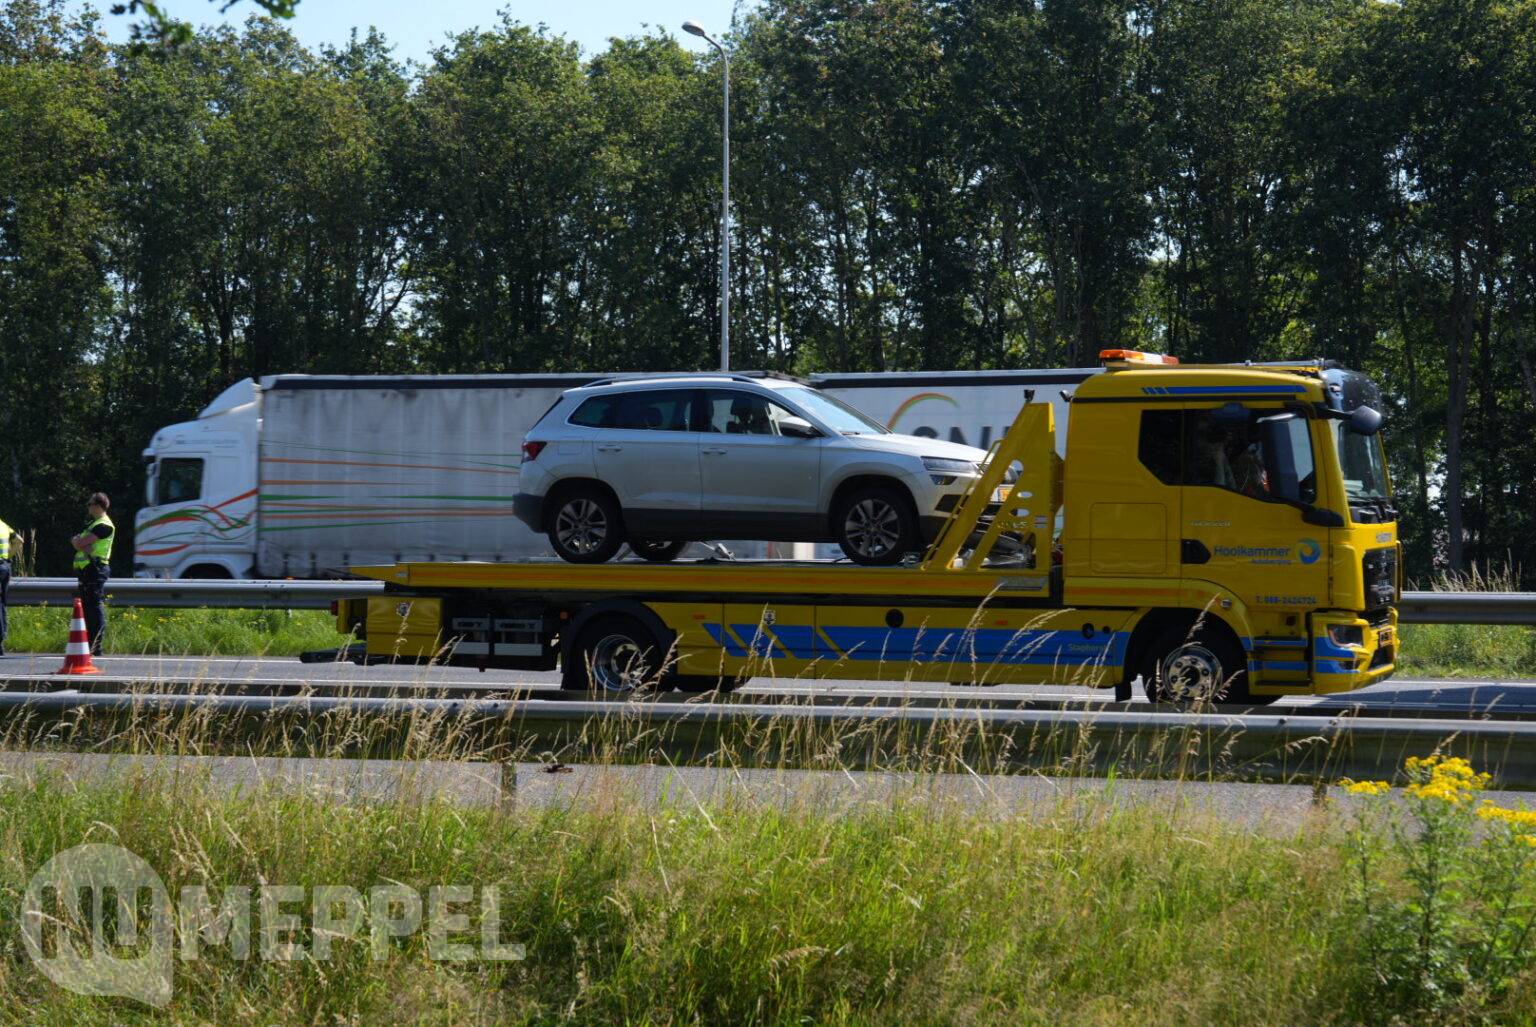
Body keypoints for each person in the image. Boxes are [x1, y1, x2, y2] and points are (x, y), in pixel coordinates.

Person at [70, 492, 114, 655]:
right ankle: (89, 644)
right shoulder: (94, 524)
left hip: (96, 568)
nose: (88, 506)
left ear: (98, 506)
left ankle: (96, 646)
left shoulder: (103, 525)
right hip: (87, 569)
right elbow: (78, 542)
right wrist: (79, 544)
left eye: (90, 504)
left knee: (94, 606)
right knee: (87, 607)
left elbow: (79, 542)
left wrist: (79, 543)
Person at [0, 513, 13, 657]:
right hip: (5, 566)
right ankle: (1, 640)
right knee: (2, 604)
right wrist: (7, 558)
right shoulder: (3, 525)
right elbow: (19, 541)